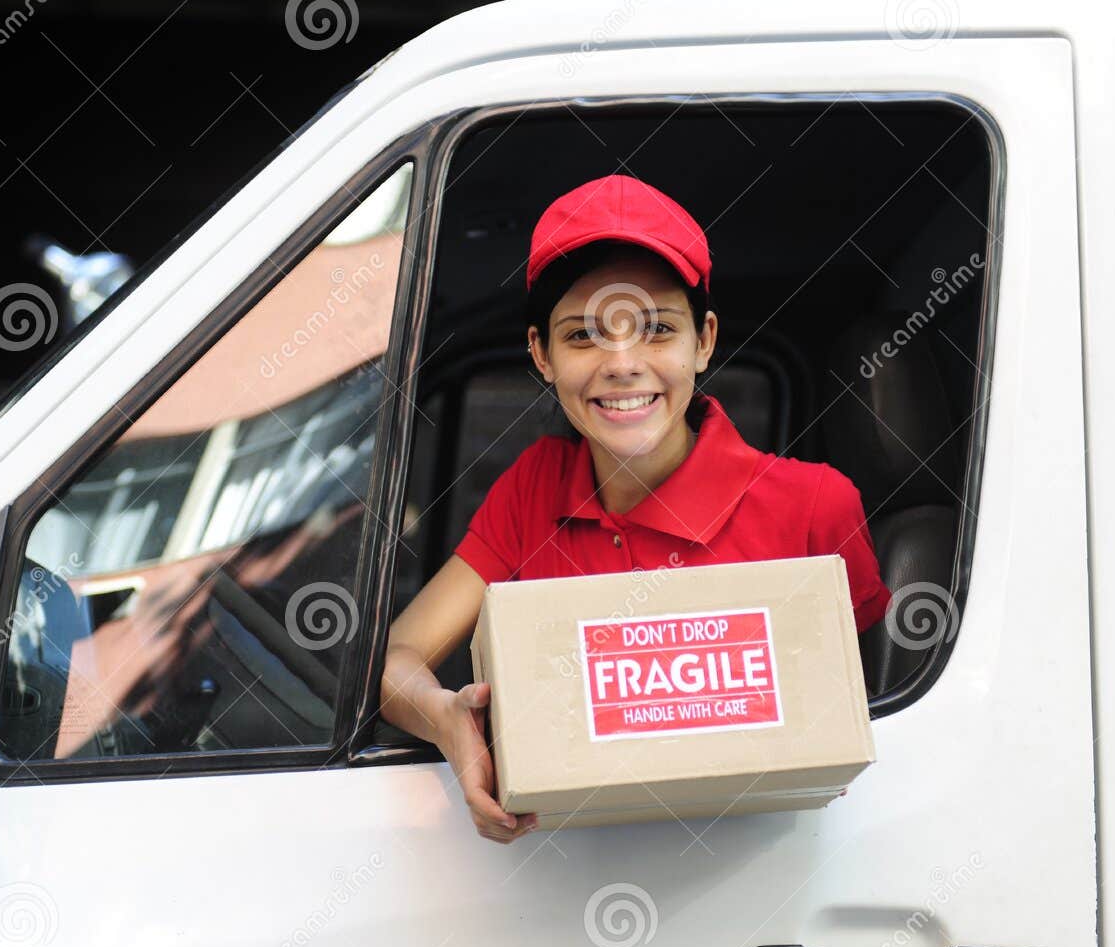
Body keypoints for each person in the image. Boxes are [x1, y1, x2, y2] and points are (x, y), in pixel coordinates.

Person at [380, 174, 891, 843]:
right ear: (541, 354)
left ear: (704, 341)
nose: (622, 365)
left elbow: (867, 723)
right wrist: (447, 721)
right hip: (548, 900)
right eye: (584, 336)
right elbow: (398, 660)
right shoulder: (534, 488)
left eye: (655, 329)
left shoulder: (814, 507)